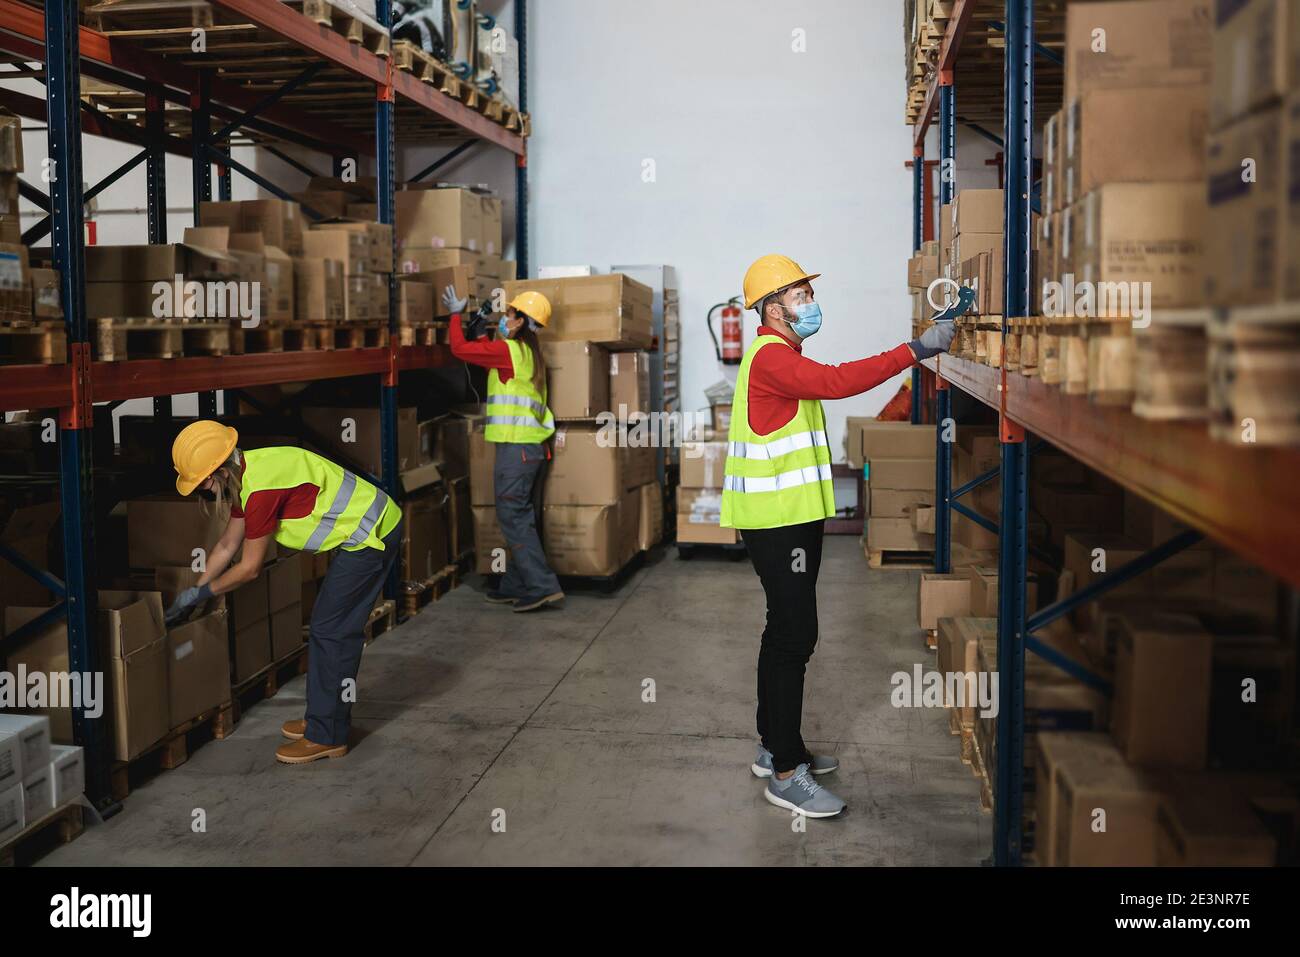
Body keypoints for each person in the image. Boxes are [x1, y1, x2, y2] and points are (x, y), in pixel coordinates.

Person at [720, 254, 956, 818]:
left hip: (786, 518)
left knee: (783, 629)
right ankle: (784, 773)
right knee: (794, 635)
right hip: (777, 523)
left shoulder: (781, 353)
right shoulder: (772, 357)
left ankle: (776, 745)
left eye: (806, 293)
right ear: (771, 308)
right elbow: (838, 382)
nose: (810, 303)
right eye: (800, 295)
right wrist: (918, 348)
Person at [166, 421, 404, 765]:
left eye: (203, 480)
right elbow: (227, 543)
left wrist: (204, 596)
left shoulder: (261, 491)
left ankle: (327, 735)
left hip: (371, 536)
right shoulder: (249, 474)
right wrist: (196, 589)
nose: (202, 488)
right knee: (328, 628)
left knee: (331, 631)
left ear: (220, 468)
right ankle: (324, 717)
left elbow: (249, 567)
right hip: (364, 529)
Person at [443, 285, 565, 612]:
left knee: (513, 517)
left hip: (517, 451)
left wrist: (455, 315)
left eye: (510, 314)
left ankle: (541, 586)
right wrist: (480, 320)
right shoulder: (526, 354)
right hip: (530, 451)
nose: (504, 317)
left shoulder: (510, 353)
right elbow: (484, 351)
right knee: (519, 516)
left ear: (522, 322)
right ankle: (516, 583)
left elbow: (459, 349)